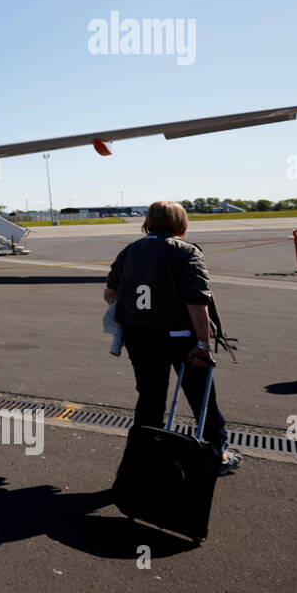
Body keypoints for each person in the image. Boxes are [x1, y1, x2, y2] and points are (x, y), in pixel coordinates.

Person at [104, 200, 242, 475]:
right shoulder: (186, 252)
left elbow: (110, 293)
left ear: (148, 222)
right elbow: (197, 301)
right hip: (180, 338)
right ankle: (217, 455)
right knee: (201, 398)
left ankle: (141, 459)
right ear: (180, 223)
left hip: (139, 338)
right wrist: (203, 343)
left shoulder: (129, 250)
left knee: (150, 399)